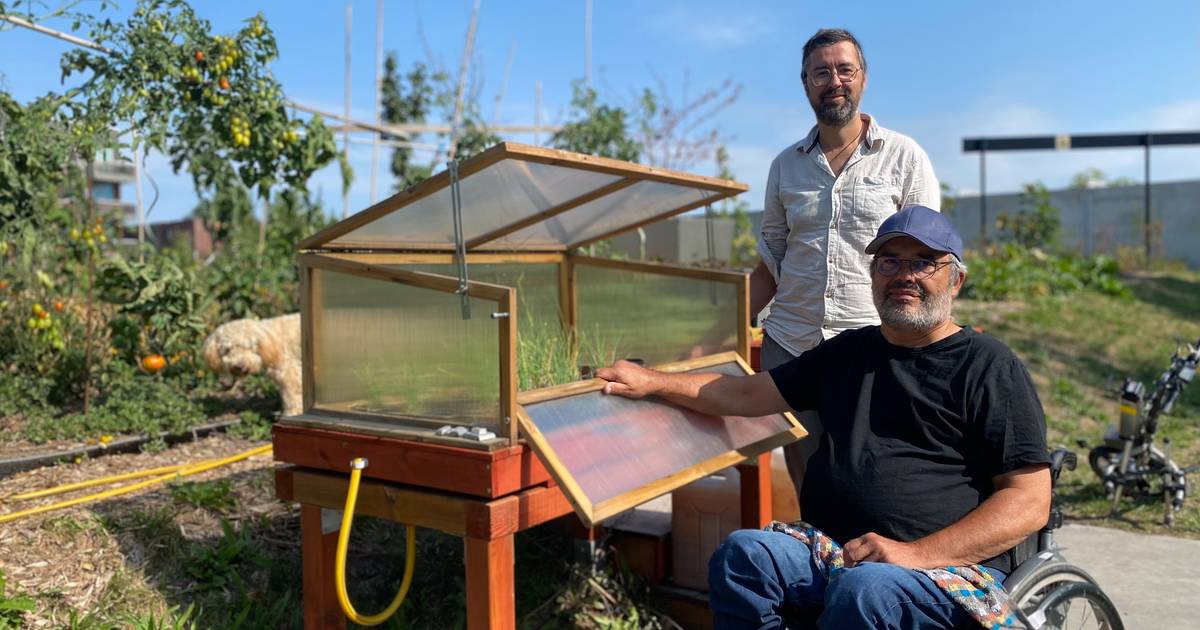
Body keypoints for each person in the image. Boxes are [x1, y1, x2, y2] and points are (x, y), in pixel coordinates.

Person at [598, 206, 1051, 628]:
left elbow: (1029, 502)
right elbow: (744, 393)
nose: (904, 275)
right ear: (873, 274)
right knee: (743, 555)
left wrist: (915, 553)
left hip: (942, 570)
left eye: (923, 263)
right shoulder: (846, 353)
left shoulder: (988, 366)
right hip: (832, 551)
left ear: (956, 281)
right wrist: (652, 382)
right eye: (889, 261)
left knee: (863, 591)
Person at [752, 28, 942, 489]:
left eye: (844, 69)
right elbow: (771, 262)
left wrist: (929, 346)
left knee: (874, 476)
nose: (833, 81)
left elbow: (929, 261)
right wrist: (715, 334)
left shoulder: (904, 157)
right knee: (807, 476)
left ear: (863, 78)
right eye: (821, 72)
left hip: (874, 345)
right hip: (791, 344)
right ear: (805, 84)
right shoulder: (785, 166)